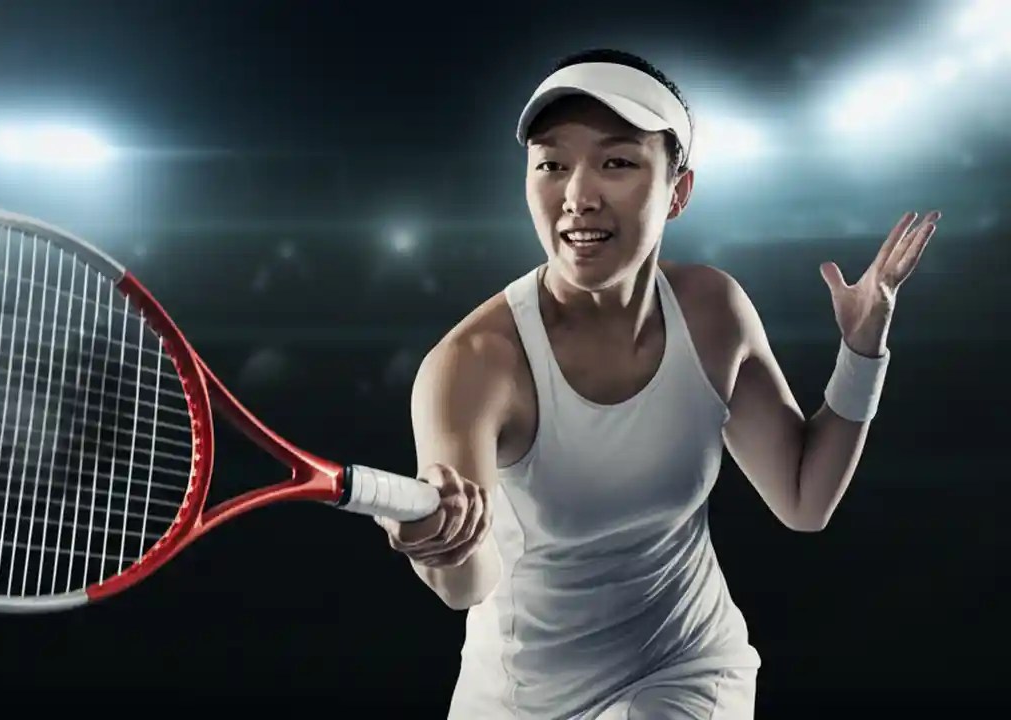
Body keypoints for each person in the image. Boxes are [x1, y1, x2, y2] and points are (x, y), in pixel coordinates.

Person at [375, 48, 939, 719]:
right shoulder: (472, 363)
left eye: (616, 162)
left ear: (678, 191)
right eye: (552, 164)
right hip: (515, 700)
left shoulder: (713, 312)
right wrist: (441, 542)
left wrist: (862, 350)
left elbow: (803, 498)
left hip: (685, 669)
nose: (578, 196)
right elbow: (467, 587)